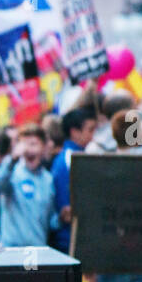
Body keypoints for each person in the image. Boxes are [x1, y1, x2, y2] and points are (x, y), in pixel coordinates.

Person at [0, 123, 56, 250]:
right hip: (11, 250)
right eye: (24, 144)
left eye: (33, 144)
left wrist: (61, 219)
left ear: (43, 147)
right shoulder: (12, 172)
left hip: (38, 250)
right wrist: (12, 159)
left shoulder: (48, 179)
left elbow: (50, 219)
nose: (28, 150)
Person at [51, 107, 98, 253]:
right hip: (71, 241)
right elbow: (67, 209)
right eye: (90, 130)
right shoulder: (69, 160)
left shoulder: (81, 156)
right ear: (74, 132)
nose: (93, 135)